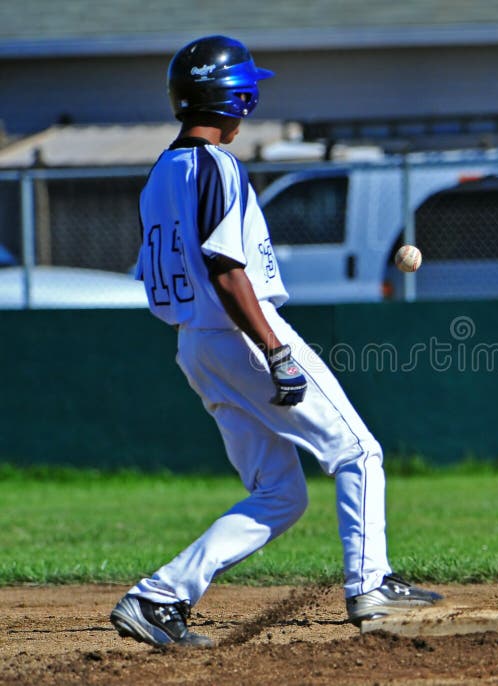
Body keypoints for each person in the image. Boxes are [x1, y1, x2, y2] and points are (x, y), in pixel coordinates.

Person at [109, 35, 441, 648]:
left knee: (280, 494)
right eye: (246, 91)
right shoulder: (216, 165)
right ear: (233, 98)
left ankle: (158, 597)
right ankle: (371, 585)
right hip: (241, 333)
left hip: (197, 343)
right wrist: (275, 349)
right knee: (358, 453)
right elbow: (225, 268)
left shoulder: (160, 172)